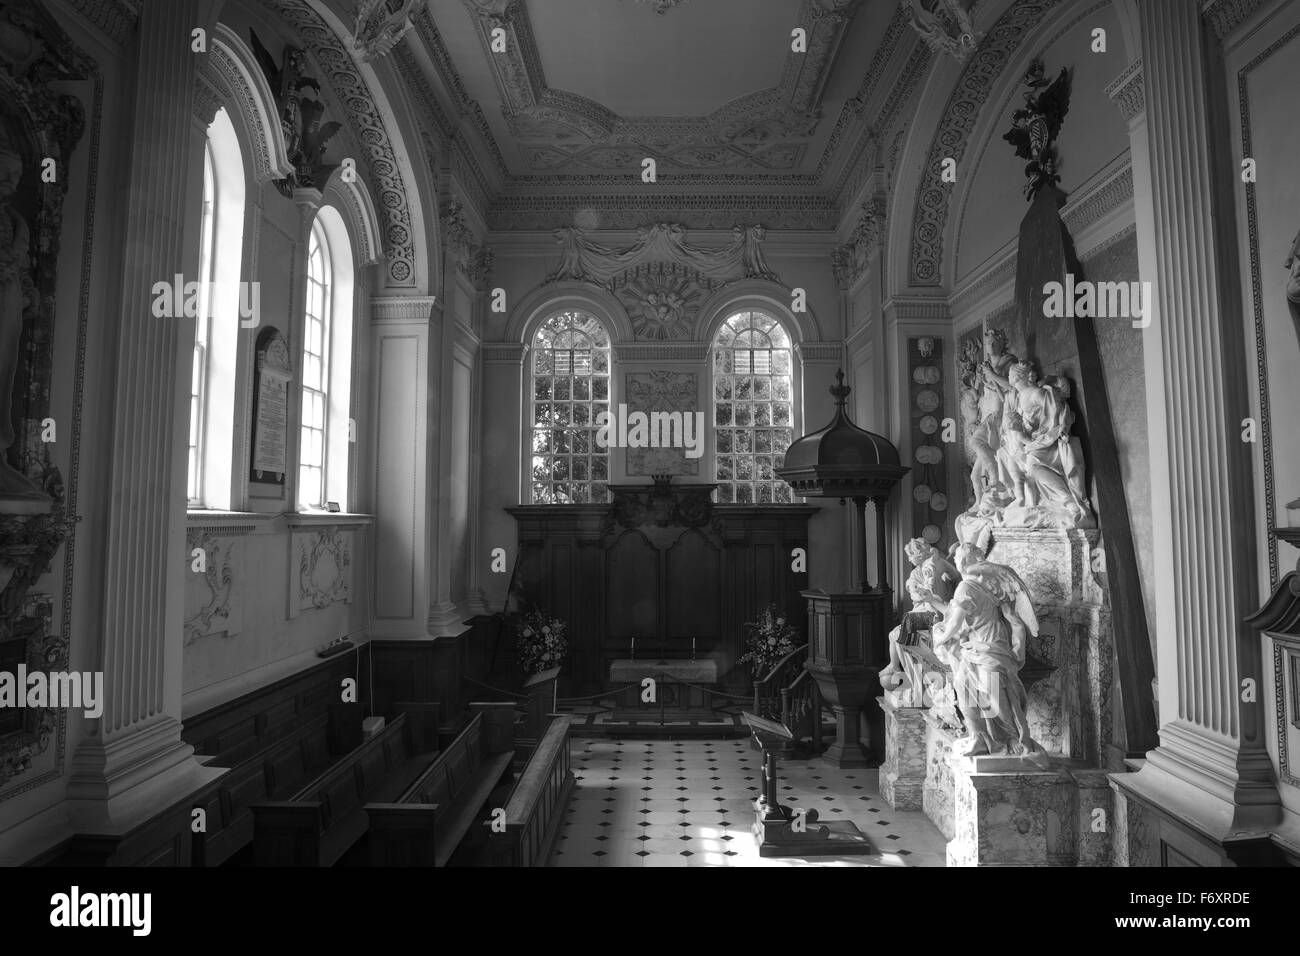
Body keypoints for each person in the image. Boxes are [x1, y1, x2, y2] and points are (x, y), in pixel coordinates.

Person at [933, 544, 1043, 761]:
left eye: (958, 560)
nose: (957, 563)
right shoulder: (983, 587)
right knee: (964, 687)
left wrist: (941, 638)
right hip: (977, 648)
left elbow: (955, 623)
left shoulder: (968, 588)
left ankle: (1012, 740)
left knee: (995, 697)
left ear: (963, 562)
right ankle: (978, 736)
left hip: (990, 648)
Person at [0, 143, 45, 504]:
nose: (10, 180)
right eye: (4, 171)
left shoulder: (18, 224)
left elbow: (26, 273)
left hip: (9, 314)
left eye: (15, 175)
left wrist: (29, 295)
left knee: (4, 380)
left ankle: (1, 457)